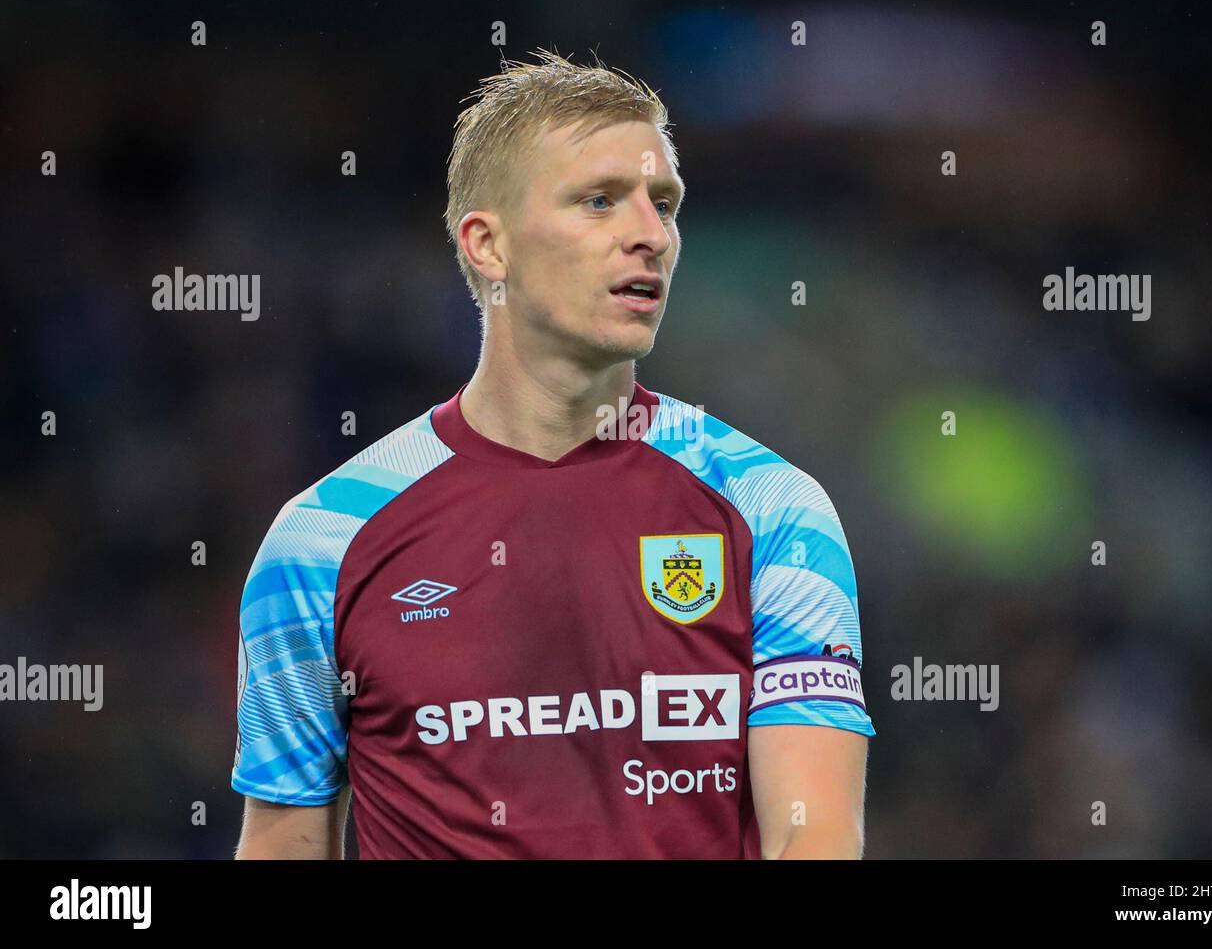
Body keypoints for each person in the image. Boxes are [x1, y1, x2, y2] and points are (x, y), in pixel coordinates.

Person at [232, 48, 874, 859]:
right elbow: (286, 842)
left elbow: (812, 840)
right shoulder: (321, 541)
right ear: (487, 246)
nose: (650, 235)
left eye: (664, 204)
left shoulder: (773, 509)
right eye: (600, 201)